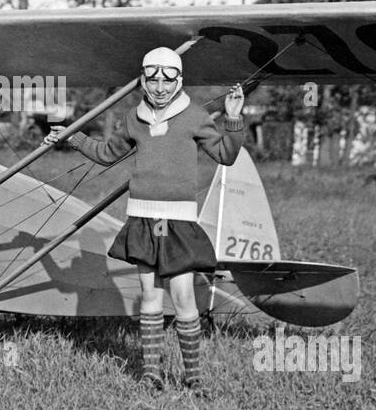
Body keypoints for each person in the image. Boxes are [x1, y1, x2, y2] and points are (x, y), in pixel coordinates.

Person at [46, 47, 246, 392]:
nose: (160, 87)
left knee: (182, 296)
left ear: (179, 81)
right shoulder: (133, 119)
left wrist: (233, 118)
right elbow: (106, 154)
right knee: (149, 294)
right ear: (143, 81)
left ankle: (193, 378)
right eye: (152, 80)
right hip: (143, 217)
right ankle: (151, 374)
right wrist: (72, 137)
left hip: (177, 221)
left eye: (168, 80)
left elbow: (226, 155)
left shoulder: (195, 116)